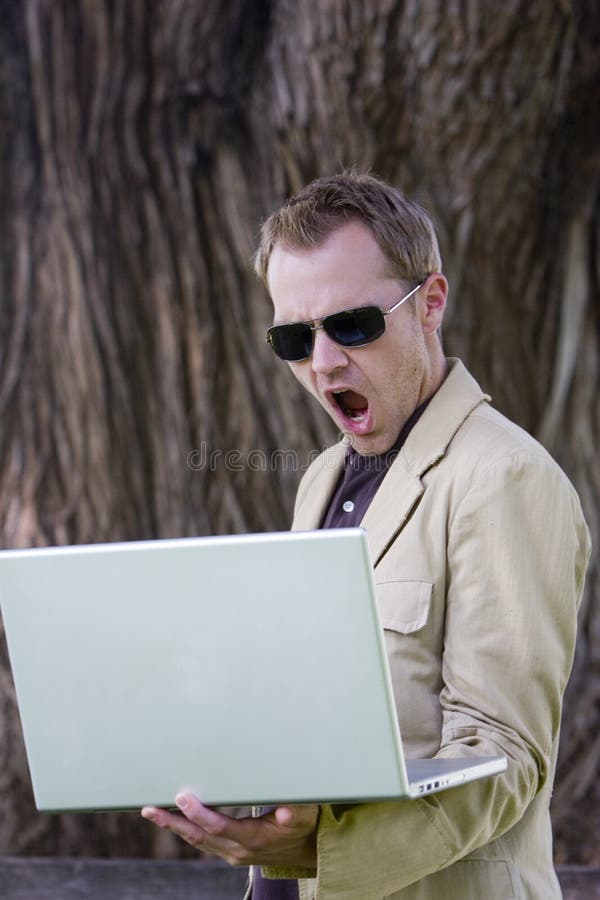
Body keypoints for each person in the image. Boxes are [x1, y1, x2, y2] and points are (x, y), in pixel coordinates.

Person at [141, 172, 591, 899]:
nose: (323, 364)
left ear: (431, 304)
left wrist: (321, 845)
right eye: (295, 337)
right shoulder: (320, 477)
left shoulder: (506, 477)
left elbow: (505, 756)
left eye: (353, 325)